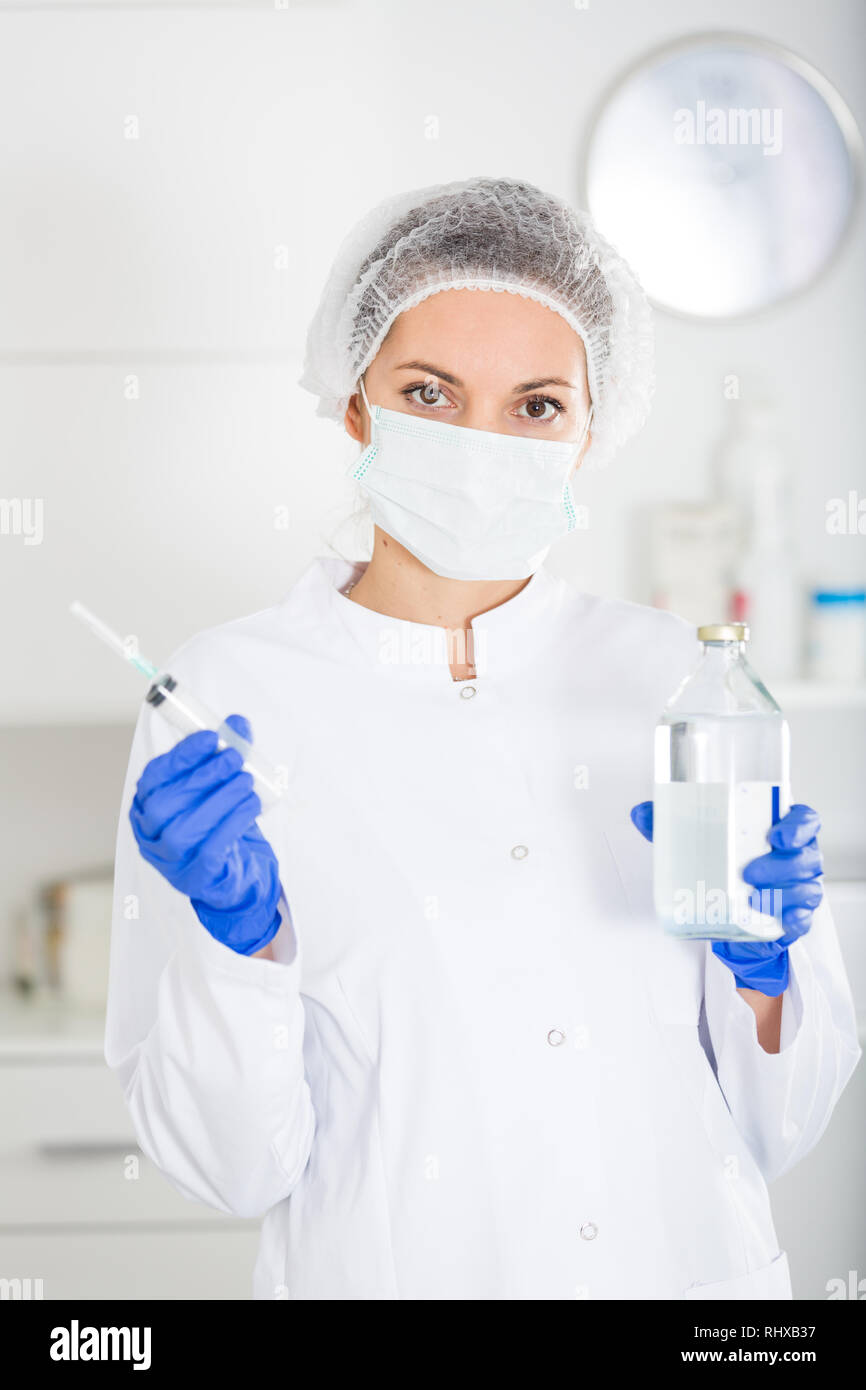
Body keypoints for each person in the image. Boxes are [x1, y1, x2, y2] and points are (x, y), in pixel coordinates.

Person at [105, 176, 860, 1301]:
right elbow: (230, 1169)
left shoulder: (681, 680)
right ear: (354, 402)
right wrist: (239, 951)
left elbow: (775, 1127)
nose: (479, 442)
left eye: (535, 405)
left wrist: (763, 978)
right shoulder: (224, 694)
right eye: (428, 390)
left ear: (590, 429)